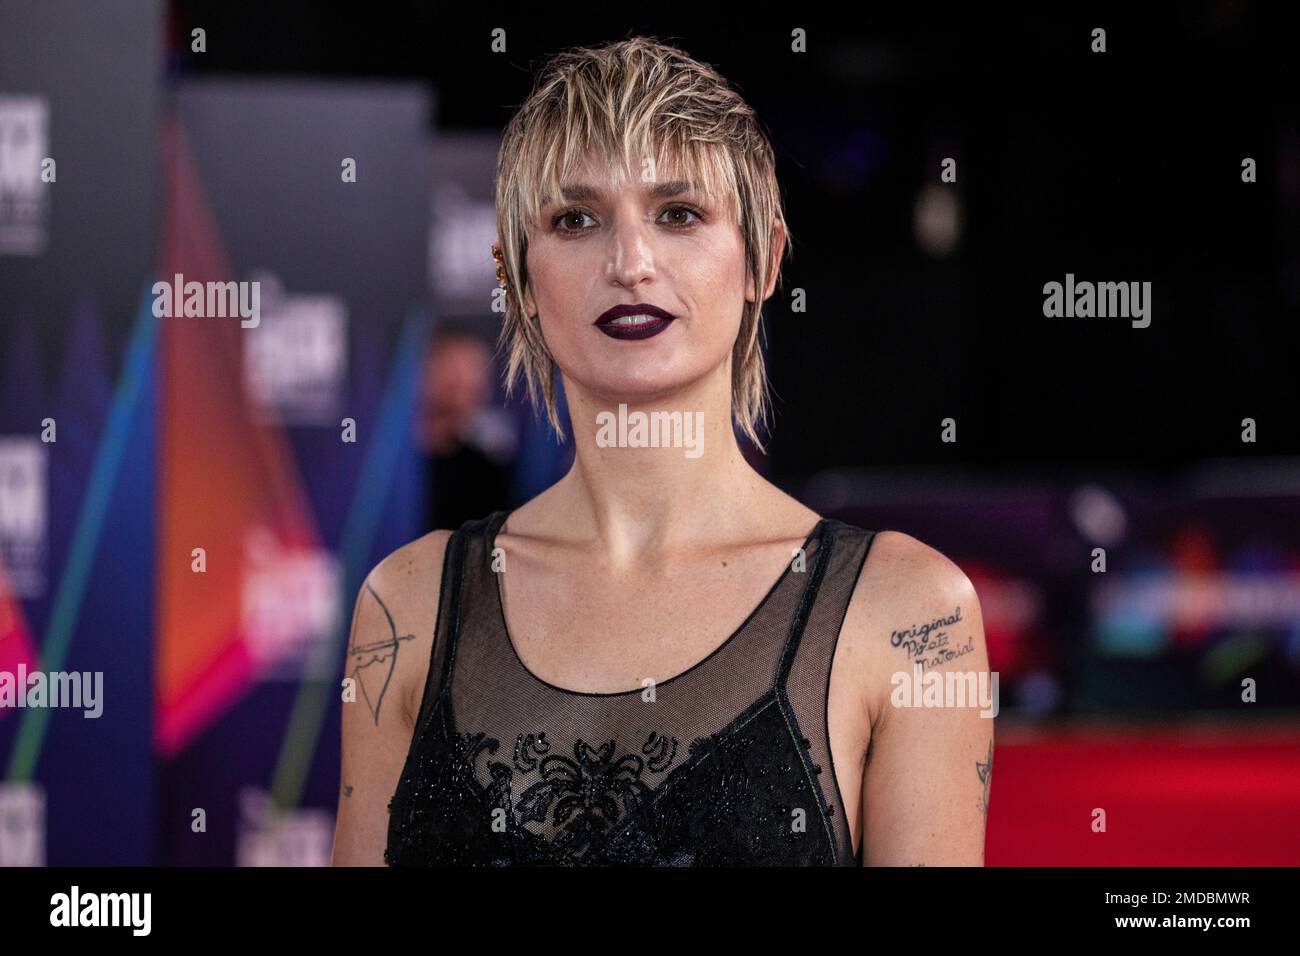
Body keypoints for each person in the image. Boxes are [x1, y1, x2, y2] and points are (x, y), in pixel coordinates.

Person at [332, 36, 992, 866]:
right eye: (576, 220)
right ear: (520, 281)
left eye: (679, 213)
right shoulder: (408, 604)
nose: (631, 263)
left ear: (764, 259)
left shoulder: (908, 612)